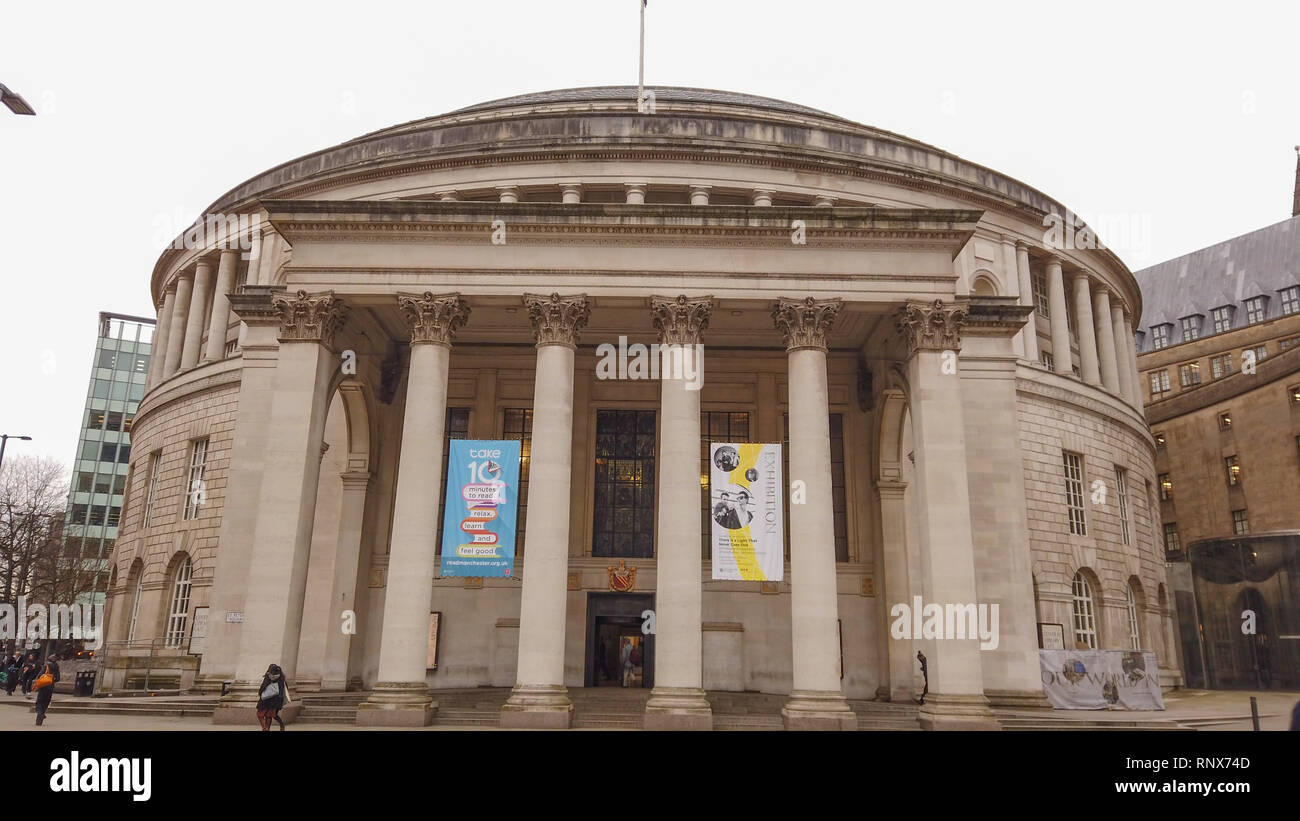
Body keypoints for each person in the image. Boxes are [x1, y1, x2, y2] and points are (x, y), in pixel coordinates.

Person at [256, 664, 291, 731]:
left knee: (265, 715)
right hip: (271, 700)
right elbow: (284, 689)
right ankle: (266, 728)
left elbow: (263, 686)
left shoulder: (272, 677)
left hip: (270, 700)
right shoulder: (279, 678)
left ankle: (265, 728)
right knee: (266, 715)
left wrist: (260, 693)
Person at [33, 653, 60, 726]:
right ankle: (42, 714)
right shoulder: (56, 666)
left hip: (44, 686)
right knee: (46, 701)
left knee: (40, 702)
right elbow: (58, 678)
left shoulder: (46, 665)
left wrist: (39, 679)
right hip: (50, 687)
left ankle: (40, 716)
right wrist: (52, 679)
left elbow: (40, 675)